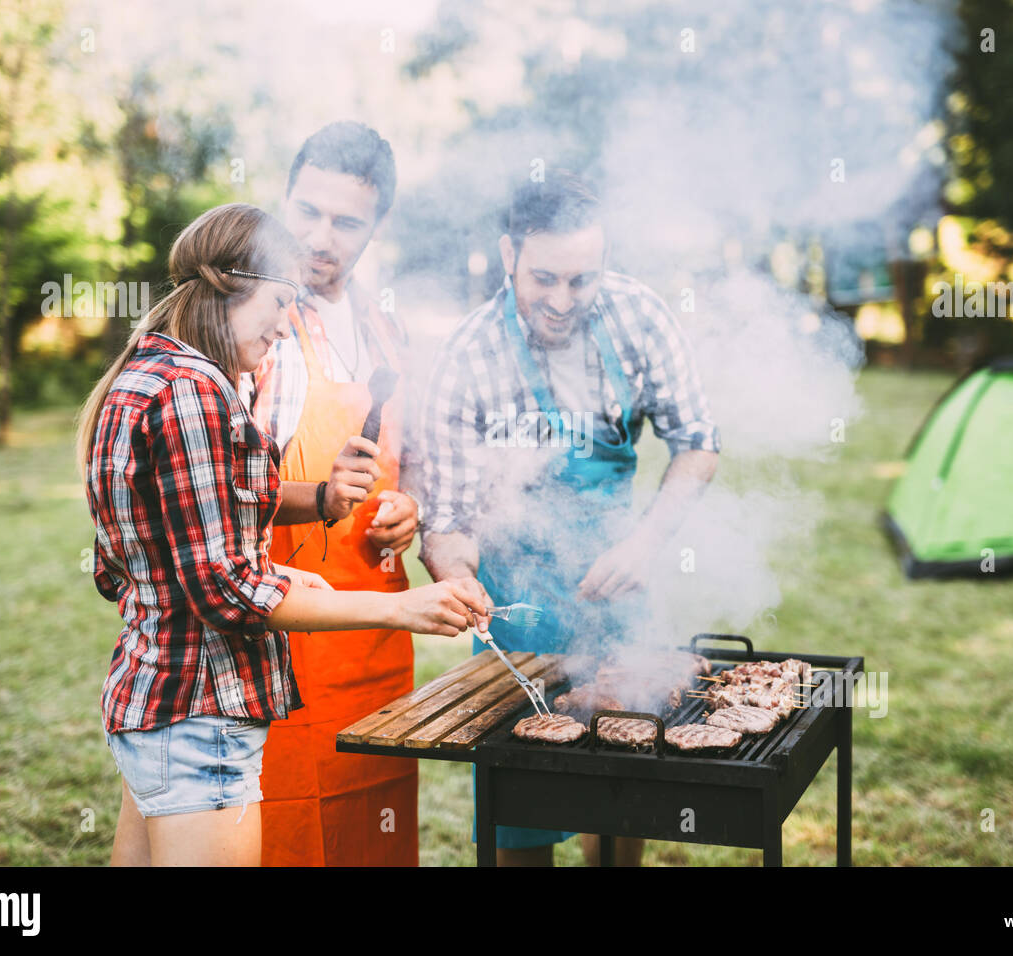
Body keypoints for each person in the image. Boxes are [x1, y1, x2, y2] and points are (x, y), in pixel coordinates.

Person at [78, 202, 486, 866]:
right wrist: (397, 607)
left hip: (155, 704)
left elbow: (140, 562)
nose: (284, 322)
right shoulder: (196, 395)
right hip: (202, 711)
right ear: (229, 285)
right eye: (278, 300)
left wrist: (320, 502)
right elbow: (228, 593)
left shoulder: (150, 373)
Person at [418, 171, 721, 866]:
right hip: (516, 610)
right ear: (508, 258)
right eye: (544, 278)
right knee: (519, 808)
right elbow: (449, 520)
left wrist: (646, 544)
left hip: (621, 589)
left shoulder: (638, 318)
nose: (562, 300)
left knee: (624, 785)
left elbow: (698, 442)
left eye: (581, 280)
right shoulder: (468, 358)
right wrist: (460, 578)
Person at [244, 122, 467, 866]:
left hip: (375, 638)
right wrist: (314, 493)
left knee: (372, 834)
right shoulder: (250, 327)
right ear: (283, 200)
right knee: (286, 834)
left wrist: (406, 511)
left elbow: (411, 469)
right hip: (274, 640)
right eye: (305, 212)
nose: (319, 236)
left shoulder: (387, 331)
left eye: (346, 222)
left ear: (377, 228)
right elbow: (205, 492)